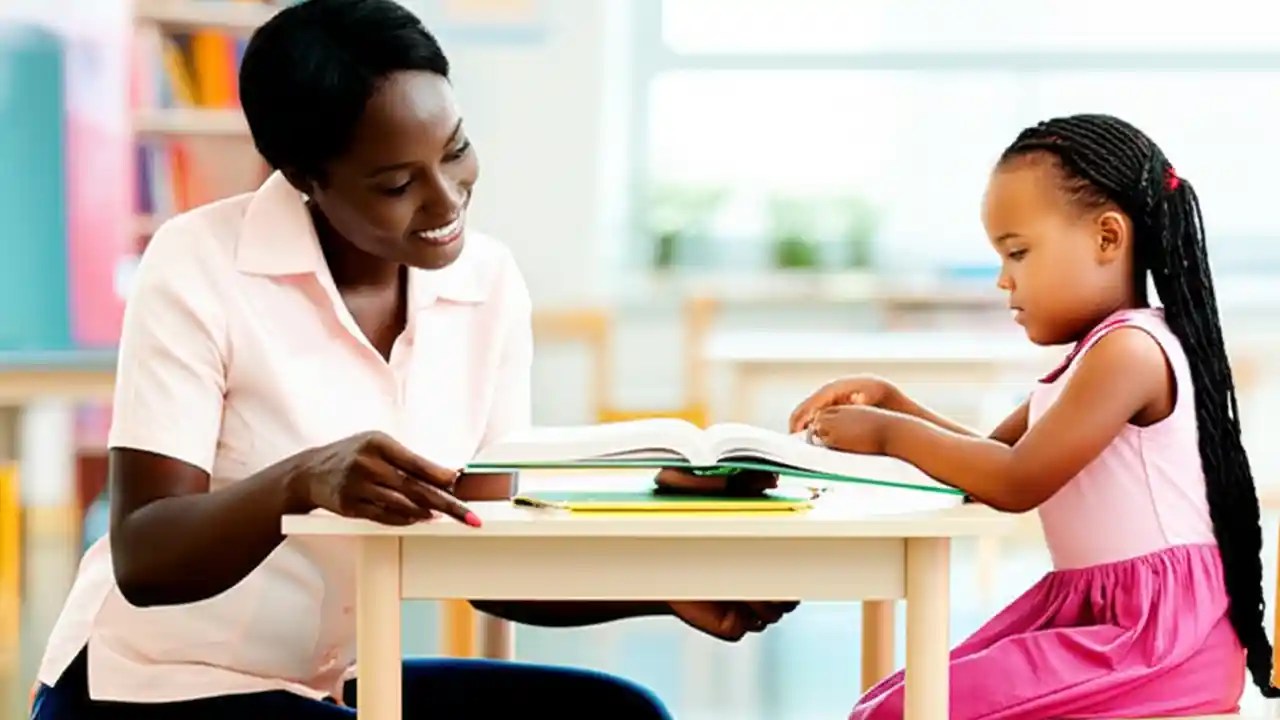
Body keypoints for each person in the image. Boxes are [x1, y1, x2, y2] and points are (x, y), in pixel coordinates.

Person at [29, 1, 796, 717]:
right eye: (397, 184)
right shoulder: (198, 262)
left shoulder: (488, 283)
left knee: (619, 713)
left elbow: (483, 554)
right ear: (305, 179)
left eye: (455, 149)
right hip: (154, 688)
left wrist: (665, 591)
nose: (445, 200)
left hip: (333, 687)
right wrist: (301, 482)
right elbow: (146, 556)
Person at [788, 113, 1277, 718]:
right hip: (1112, 619)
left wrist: (891, 433)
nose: (1003, 279)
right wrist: (895, 402)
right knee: (889, 703)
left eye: (1017, 252)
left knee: (899, 712)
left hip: (1157, 639)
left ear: (1106, 238)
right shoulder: (1097, 354)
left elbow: (1017, 481)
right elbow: (991, 460)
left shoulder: (1129, 352)